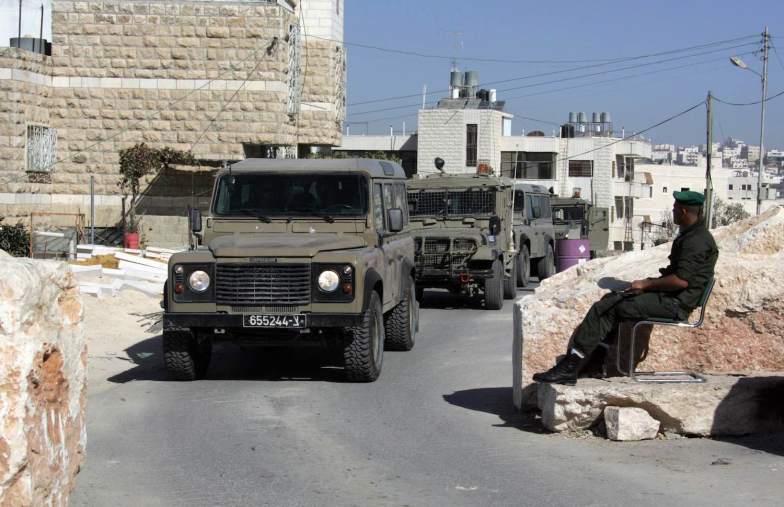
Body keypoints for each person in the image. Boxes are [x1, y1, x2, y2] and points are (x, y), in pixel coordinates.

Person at [533, 191, 719, 385]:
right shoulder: (693, 235)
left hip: (675, 304)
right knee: (610, 301)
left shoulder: (696, 241)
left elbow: (681, 281)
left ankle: (570, 367)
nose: (672, 212)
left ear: (683, 211)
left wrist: (647, 285)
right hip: (671, 298)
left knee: (608, 308)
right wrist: (645, 287)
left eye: (674, 209)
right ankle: (594, 365)